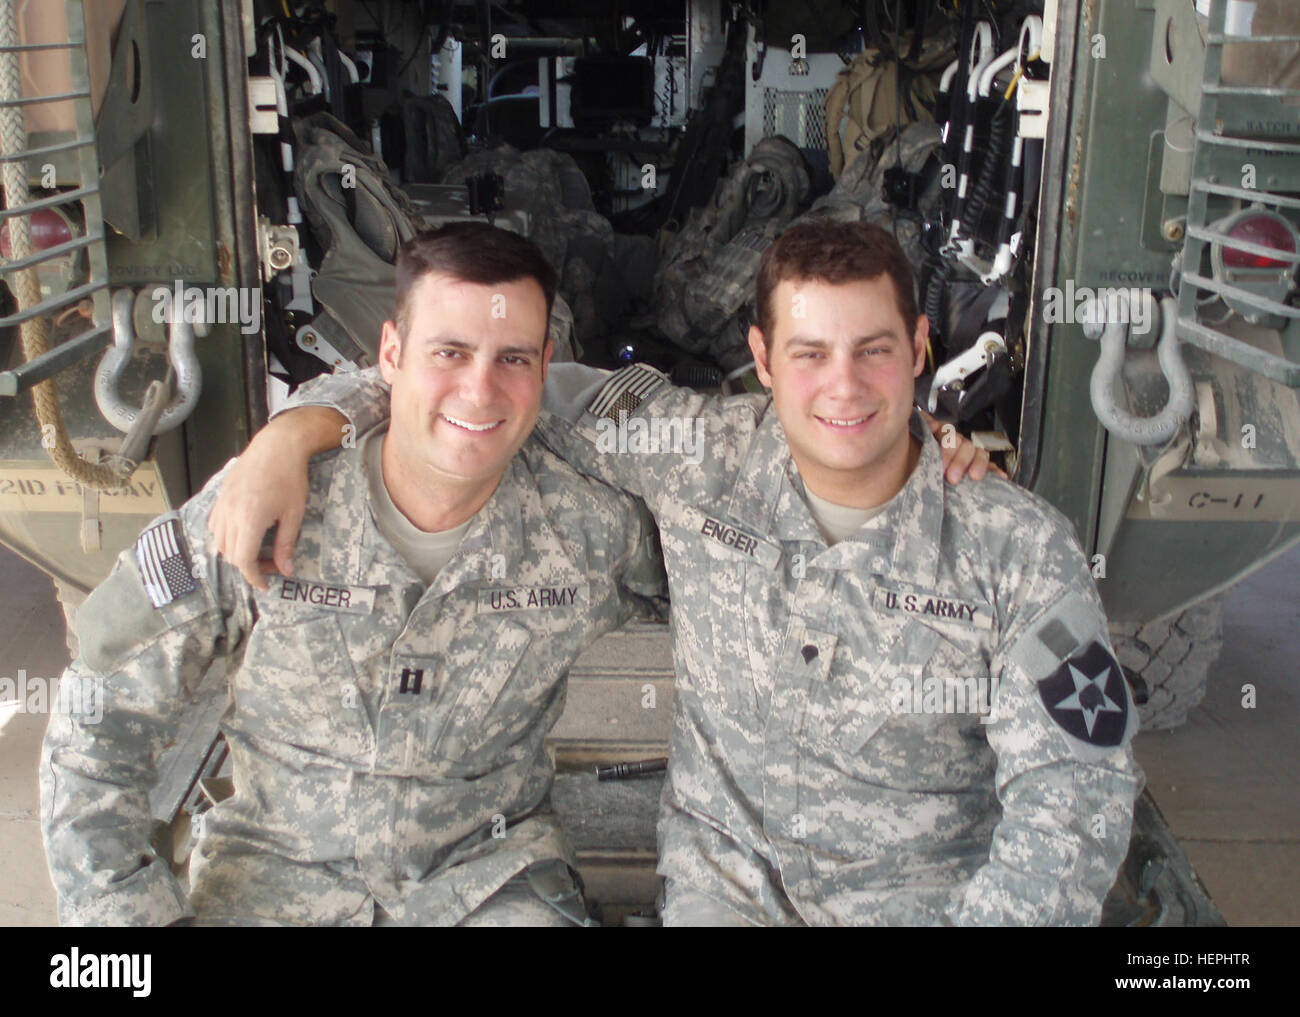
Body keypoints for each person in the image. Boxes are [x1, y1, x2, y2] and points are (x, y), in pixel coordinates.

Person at [210, 219, 1141, 926]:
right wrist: (297, 427)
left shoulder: (1018, 546)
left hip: (925, 898)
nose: (845, 388)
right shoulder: (690, 453)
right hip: (726, 891)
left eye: (875, 351)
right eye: (810, 354)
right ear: (763, 360)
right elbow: (476, 393)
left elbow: (1076, 794)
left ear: (922, 348)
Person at [39, 223, 669, 926]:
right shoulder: (266, 506)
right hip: (273, 881)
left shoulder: (589, 525)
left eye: (513, 359)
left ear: (546, 365)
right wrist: (125, 923)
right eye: (449, 352)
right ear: (392, 355)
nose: (480, 389)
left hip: (486, 882)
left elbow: (741, 570)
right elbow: (100, 720)